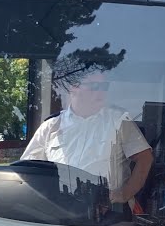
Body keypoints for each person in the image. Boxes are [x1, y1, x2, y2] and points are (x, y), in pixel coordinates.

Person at [20, 69, 154, 213]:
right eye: (94, 86)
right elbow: (27, 170)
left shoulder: (119, 121)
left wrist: (124, 193)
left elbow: (145, 159)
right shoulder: (51, 126)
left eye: (104, 87)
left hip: (107, 214)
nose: (101, 92)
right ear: (74, 87)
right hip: (58, 211)